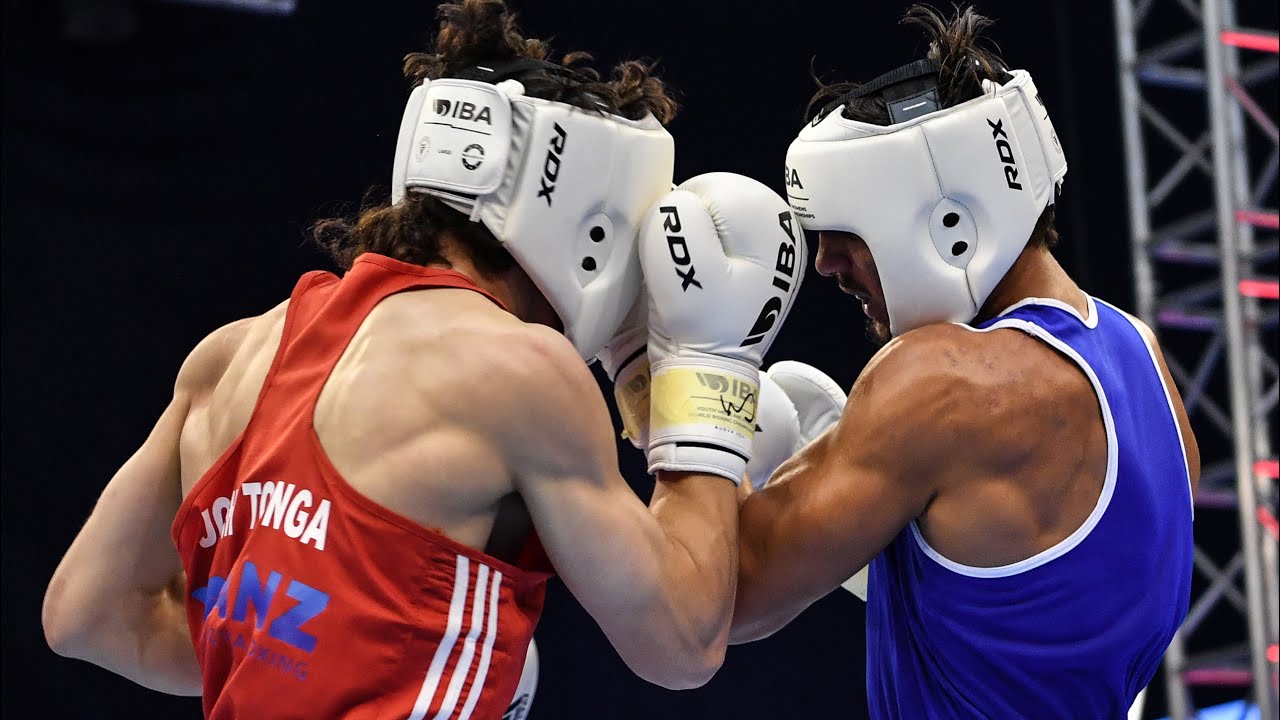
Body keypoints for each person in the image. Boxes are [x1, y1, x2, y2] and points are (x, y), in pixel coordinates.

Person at [39, 2, 806, 718]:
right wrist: (708, 378)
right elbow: (683, 642)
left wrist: (322, 664)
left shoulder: (232, 354)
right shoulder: (520, 370)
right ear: (592, 224)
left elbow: (90, 613)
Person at [732, 6, 1199, 718]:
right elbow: (1044, 628)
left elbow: (717, 607)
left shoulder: (941, 383)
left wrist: (673, 379)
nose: (825, 264)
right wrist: (895, 557)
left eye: (843, 233)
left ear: (945, 219)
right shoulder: (1147, 366)